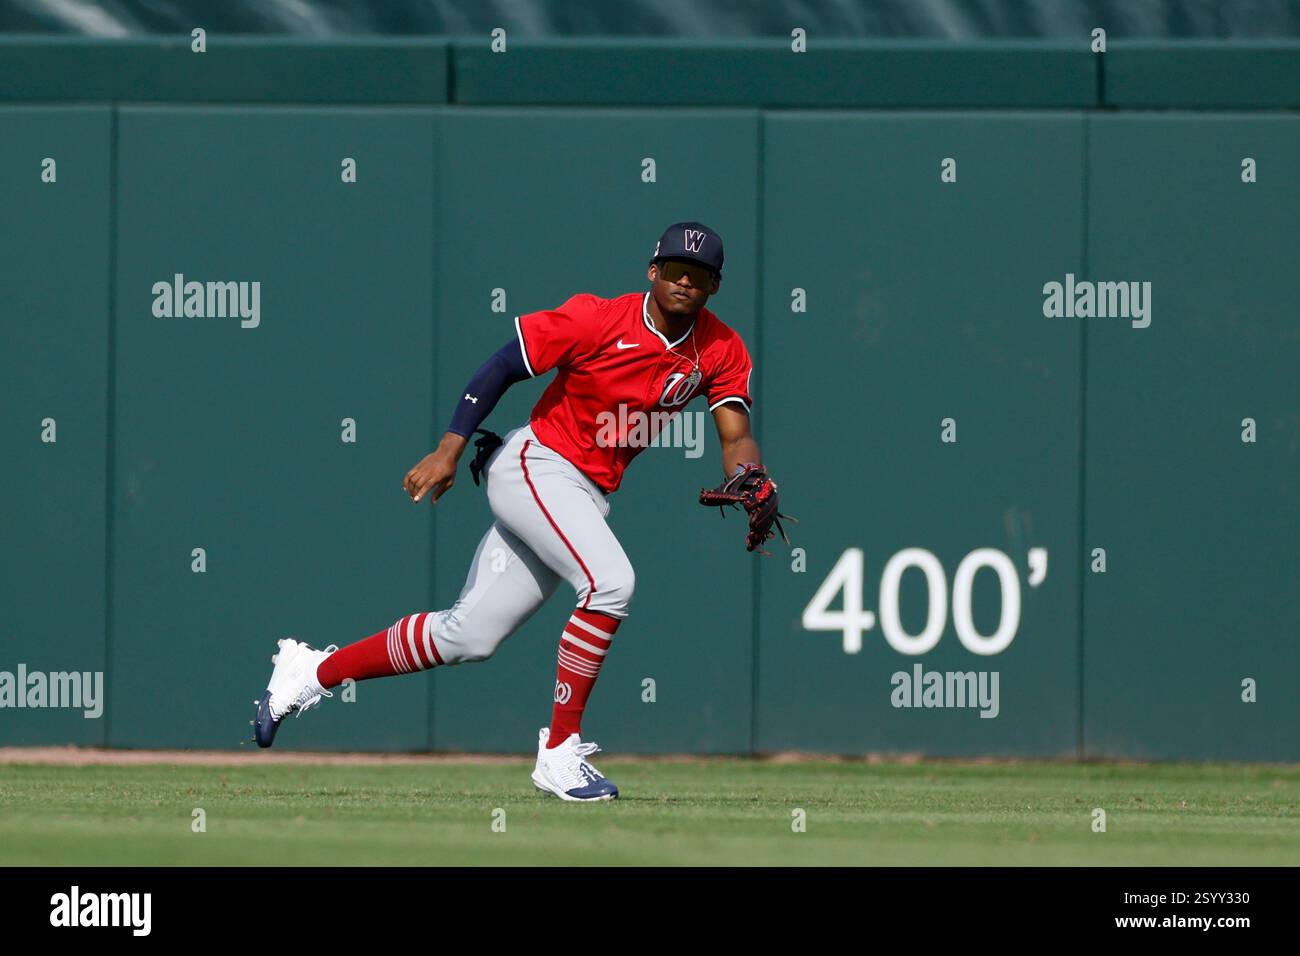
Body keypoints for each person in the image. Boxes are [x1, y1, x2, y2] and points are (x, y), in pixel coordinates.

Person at [253, 221, 780, 801]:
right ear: (652, 271)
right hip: (537, 463)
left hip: (583, 491)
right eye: (676, 268)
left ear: (715, 287)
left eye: (700, 275)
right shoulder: (597, 318)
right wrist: (450, 447)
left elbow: (735, 436)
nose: (686, 280)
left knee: (467, 636)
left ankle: (309, 673)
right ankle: (559, 752)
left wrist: (748, 476)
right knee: (611, 583)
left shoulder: (721, 349)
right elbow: (503, 364)